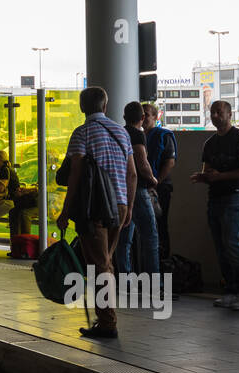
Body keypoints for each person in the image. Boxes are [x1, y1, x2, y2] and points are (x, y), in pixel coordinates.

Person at [56, 86, 135, 340]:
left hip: (95, 207)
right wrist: (129, 207)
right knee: (106, 263)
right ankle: (105, 319)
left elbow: (75, 174)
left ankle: (108, 323)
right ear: (105, 106)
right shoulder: (122, 132)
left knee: (100, 265)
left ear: (82, 107)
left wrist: (65, 211)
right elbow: (132, 174)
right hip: (120, 204)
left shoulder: (82, 133)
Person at [191, 100, 239, 311]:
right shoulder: (209, 144)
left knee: (230, 243)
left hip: (235, 196)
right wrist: (204, 177)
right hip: (215, 197)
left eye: (219, 112)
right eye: (212, 112)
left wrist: (221, 177)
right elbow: (209, 171)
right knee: (221, 246)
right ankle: (230, 291)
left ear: (229, 114)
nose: (215, 115)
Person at [115, 102, 160, 279]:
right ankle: (155, 283)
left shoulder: (119, 133)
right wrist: (153, 179)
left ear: (124, 117)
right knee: (150, 237)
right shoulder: (137, 135)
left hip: (120, 190)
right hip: (138, 191)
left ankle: (125, 280)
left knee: (124, 239)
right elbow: (141, 164)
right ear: (142, 118)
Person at [143, 104, 177, 260]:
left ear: (156, 117)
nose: (144, 118)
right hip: (143, 188)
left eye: (147, 114)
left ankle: (163, 263)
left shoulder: (164, 135)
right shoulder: (139, 137)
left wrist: (156, 182)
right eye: (141, 114)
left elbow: (170, 162)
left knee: (160, 225)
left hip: (160, 188)